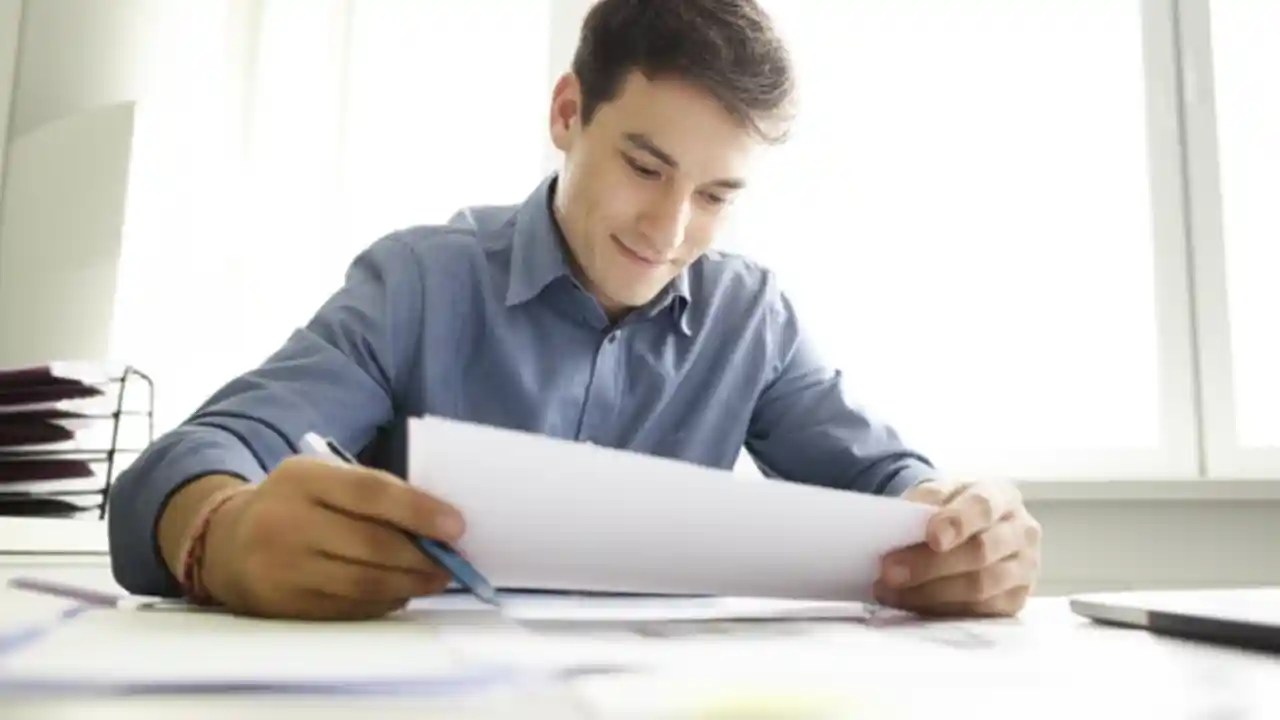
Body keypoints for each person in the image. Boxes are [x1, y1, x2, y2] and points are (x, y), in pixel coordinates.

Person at [108, 0, 1042, 621]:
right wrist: (218, 535)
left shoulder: (752, 318)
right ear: (567, 114)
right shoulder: (420, 284)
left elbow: (887, 482)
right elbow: (195, 457)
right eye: (645, 166)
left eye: (716, 194)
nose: (671, 229)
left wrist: (961, 530)